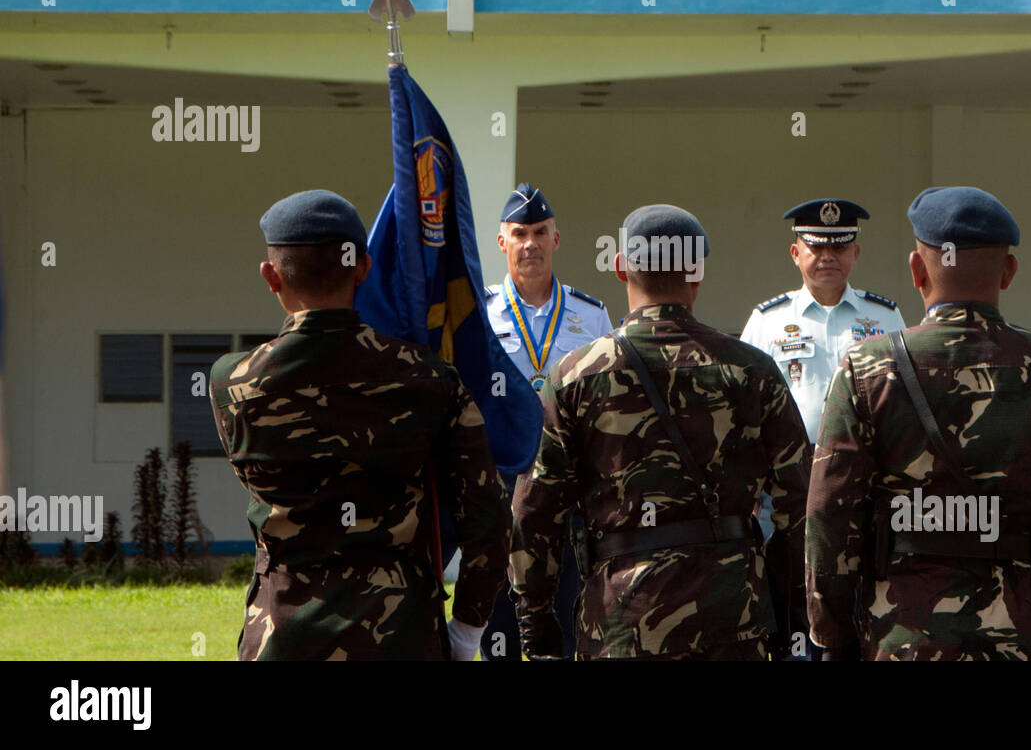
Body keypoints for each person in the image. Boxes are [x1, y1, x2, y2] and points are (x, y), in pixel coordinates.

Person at [806, 186, 1031, 661]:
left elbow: (830, 515)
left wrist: (832, 638)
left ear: (917, 271)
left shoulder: (868, 369)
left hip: (902, 635)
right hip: (1020, 635)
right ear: (1009, 272)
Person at [209, 189, 511, 661]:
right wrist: (467, 632)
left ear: (271, 277)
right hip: (403, 636)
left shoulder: (232, 381)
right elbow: (489, 518)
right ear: (364, 269)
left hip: (283, 635)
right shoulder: (428, 378)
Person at [510, 204, 811, 660]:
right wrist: (790, 614)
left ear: (619, 268)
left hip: (621, 620)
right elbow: (800, 505)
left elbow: (535, 511)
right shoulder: (751, 370)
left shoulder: (576, 375)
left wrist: (534, 622)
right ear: (697, 271)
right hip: (730, 618)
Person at [480, 182, 613, 660]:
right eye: (519, 233)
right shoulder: (478, 313)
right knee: (498, 610)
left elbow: (606, 404)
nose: (530, 243)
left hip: (567, 488)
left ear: (556, 240)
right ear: (502, 243)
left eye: (540, 232)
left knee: (568, 606)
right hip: (500, 484)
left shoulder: (591, 316)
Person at [740, 198, 905, 446]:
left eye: (839, 249)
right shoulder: (768, 320)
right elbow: (744, 399)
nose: (827, 257)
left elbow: (905, 396)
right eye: (816, 249)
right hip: (793, 467)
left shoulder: (886, 316)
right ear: (795, 254)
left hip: (866, 463)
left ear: (856, 253)